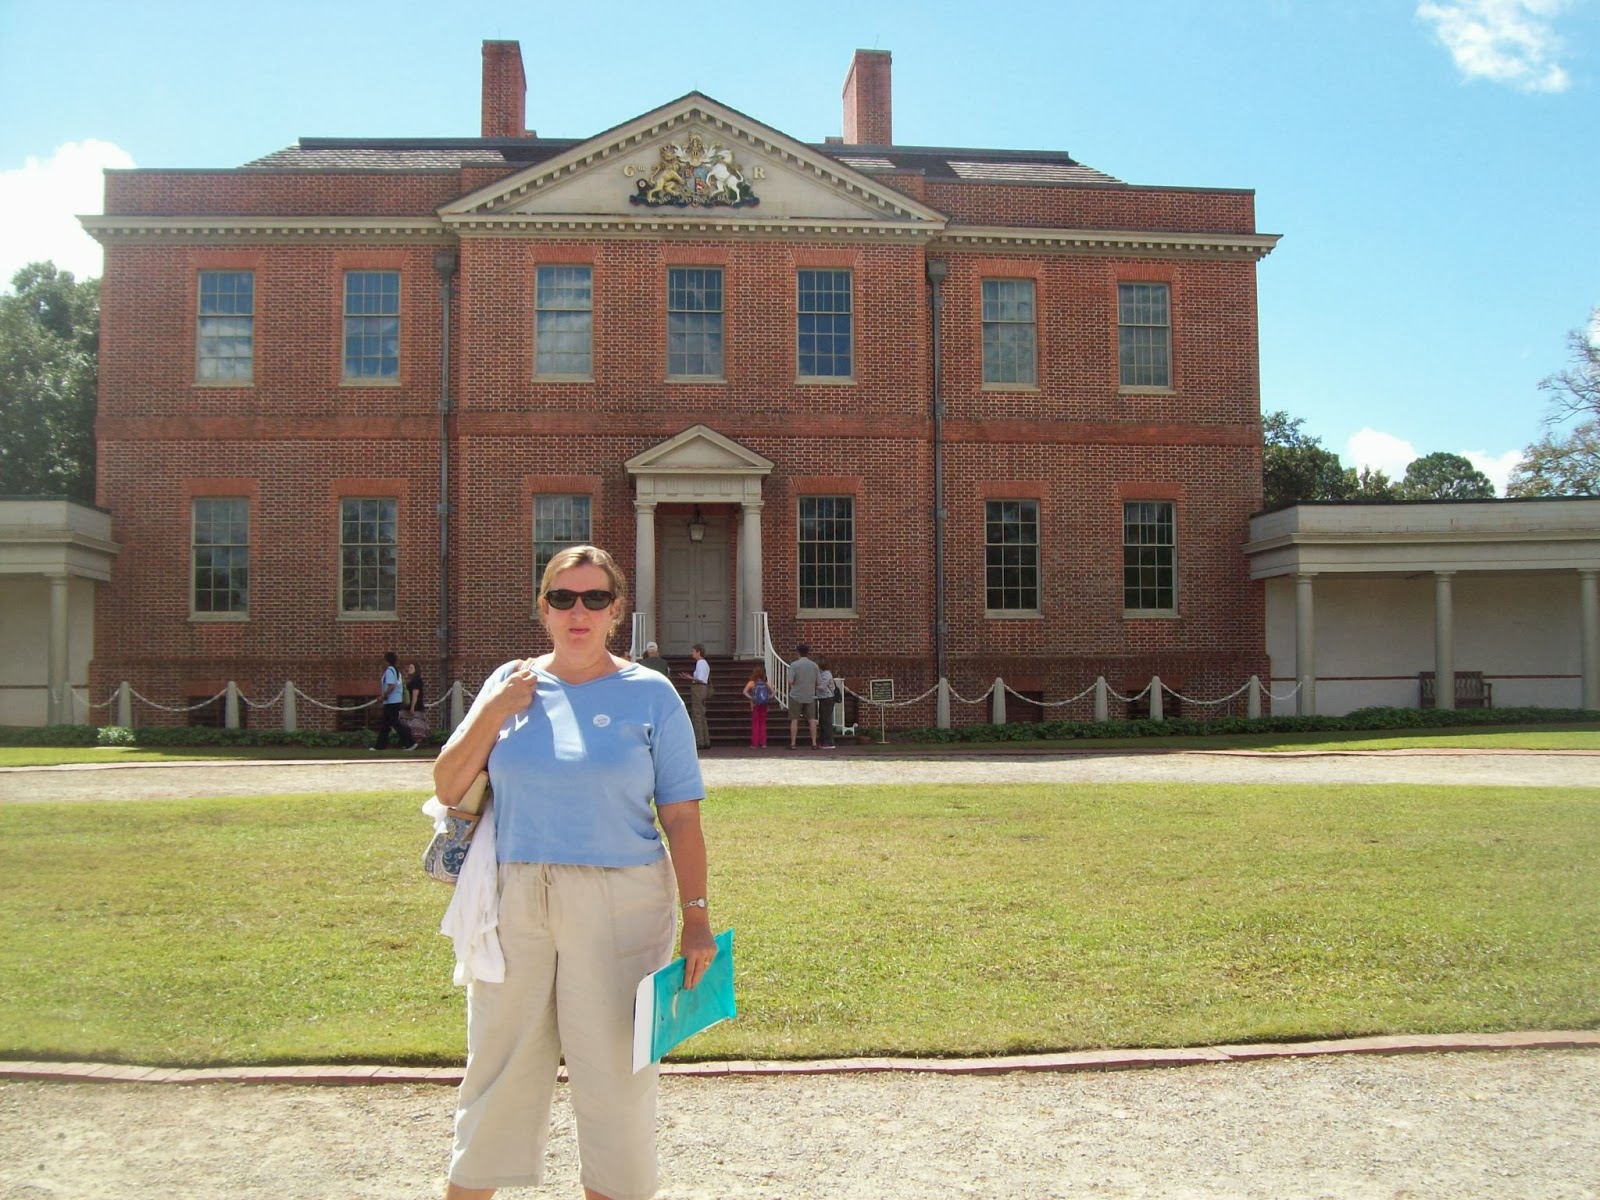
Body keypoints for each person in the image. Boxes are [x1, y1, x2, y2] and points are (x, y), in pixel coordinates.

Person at [432, 544, 715, 1200]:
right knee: (497, 1068)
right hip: (517, 897)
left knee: (616, 1078)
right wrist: (500, 710)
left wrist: (697, 917)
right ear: (544, 608)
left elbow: (680, 815)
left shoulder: (652, 694)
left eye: (593, 598)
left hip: (625, 900)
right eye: (563, 598)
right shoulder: (511, 681)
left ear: (617, 610)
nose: (577, 611)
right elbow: (449, 784)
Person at [373, 650, 418, 751]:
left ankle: (410, 742)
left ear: (387, 661)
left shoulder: (389, 671)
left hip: (391, 702)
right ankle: (380, 746)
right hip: (395, 701)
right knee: (386, 724)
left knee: (395, 723)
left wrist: (383, 696)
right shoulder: (396, 671)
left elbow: (391, 686)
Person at [677, 644, 711, 751]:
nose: (692, 653)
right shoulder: (704, 663)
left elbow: (700, 679)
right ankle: (706, 740)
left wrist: (689, 677)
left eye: (693, 651)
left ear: (698, 652)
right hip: (703, 688)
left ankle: (700, 741)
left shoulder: (700, 663)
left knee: (697, 715)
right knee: (701, 715)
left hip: (698, 688)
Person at [787, 644, 820, 750]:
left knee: (794, 720)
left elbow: (790, 681)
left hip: (796, 695)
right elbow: (819, 682)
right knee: (812, 720)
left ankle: (793, 743)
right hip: (810, 695)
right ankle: (814, 743)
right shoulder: (814, 665)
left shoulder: (794, 665)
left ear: (798, 652)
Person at [742, 663, 771, 748]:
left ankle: (755, 743)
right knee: (763, 723)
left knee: (755, 724)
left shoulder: (751, 683)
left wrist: (751, 697)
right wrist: (767, 697)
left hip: (754, 704)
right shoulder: (766, 683)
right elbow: (774, 692)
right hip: (764, 705)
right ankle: (763, 743)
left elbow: (744, 691)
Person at [815, 656, 837, 749]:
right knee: (823, 720)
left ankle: (829, 742)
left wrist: (813, 684)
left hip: (827, 698)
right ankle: (823, 740)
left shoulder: (826, 674)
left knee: (826, 720)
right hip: (823, 697)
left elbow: (822, 686)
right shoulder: (821, 673)